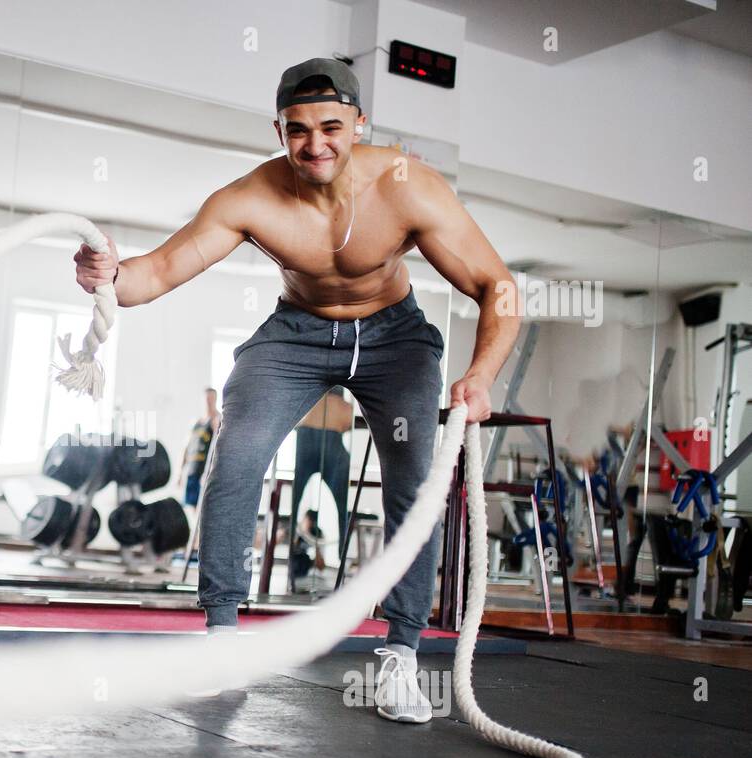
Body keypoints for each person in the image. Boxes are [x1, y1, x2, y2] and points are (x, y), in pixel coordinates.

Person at [74, 58, 519, 719]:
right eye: (299, 130)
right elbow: (157, 272)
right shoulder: (251, 197)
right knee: (239, 449)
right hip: (297, 333)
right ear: (279, 129)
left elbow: (498, 287)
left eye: (333, 127)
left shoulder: (409, 188)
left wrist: (480, 377)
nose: (316, 145)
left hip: (395, 339)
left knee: (414, 477)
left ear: (360, 124)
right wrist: (107, 273)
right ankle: (222, 637)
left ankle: (400, 656)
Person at [289, 391, 353, 589]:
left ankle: (293, 549)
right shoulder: (342, 404)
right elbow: (347, 424)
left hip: (307, 434)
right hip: (331, 438)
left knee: (296, 502)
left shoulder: (307, 399)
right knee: (342, 508)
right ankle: (343, 556)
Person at [180, 387, 221, 508]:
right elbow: (186, 448)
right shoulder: (196, 423)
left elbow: (218, 447)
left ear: (215, 399)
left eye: (211, 399)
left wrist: (210, 472)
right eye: (206, 399)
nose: (208, 402)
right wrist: (180, 472)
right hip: (193, 470)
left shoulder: (217, 421)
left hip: (206, 471)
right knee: (191, 506)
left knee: (205, 506)